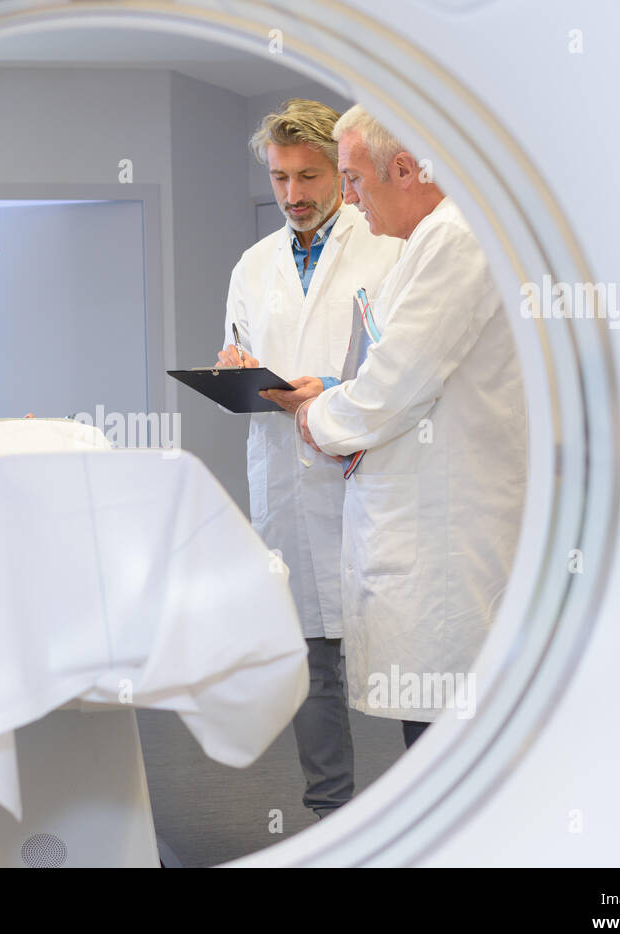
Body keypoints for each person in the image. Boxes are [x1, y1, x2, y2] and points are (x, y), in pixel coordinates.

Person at [298, 105, 528, 748]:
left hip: (447, 547)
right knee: (431, 738)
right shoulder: (430, 239)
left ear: (404, 168)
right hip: (426, 528)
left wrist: (319, 414)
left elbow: (394, 390)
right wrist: (337, 391)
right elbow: (400, 372)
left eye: (352, 178)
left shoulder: (457, 238)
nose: (347, 198)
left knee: (445, 747)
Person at [215, 99, 403, 818]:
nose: (292, 194)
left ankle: (433, 807)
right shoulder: (253, 265)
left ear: (342, 170)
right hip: (286, 475)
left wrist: (331, 390)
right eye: (279, 176)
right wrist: (236, 365)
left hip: (368, 474)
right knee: (309, 655)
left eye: (310, 176)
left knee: (405, 647)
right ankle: (332, 811)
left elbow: (404, 366)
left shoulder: (387, 245)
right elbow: (237, 349)